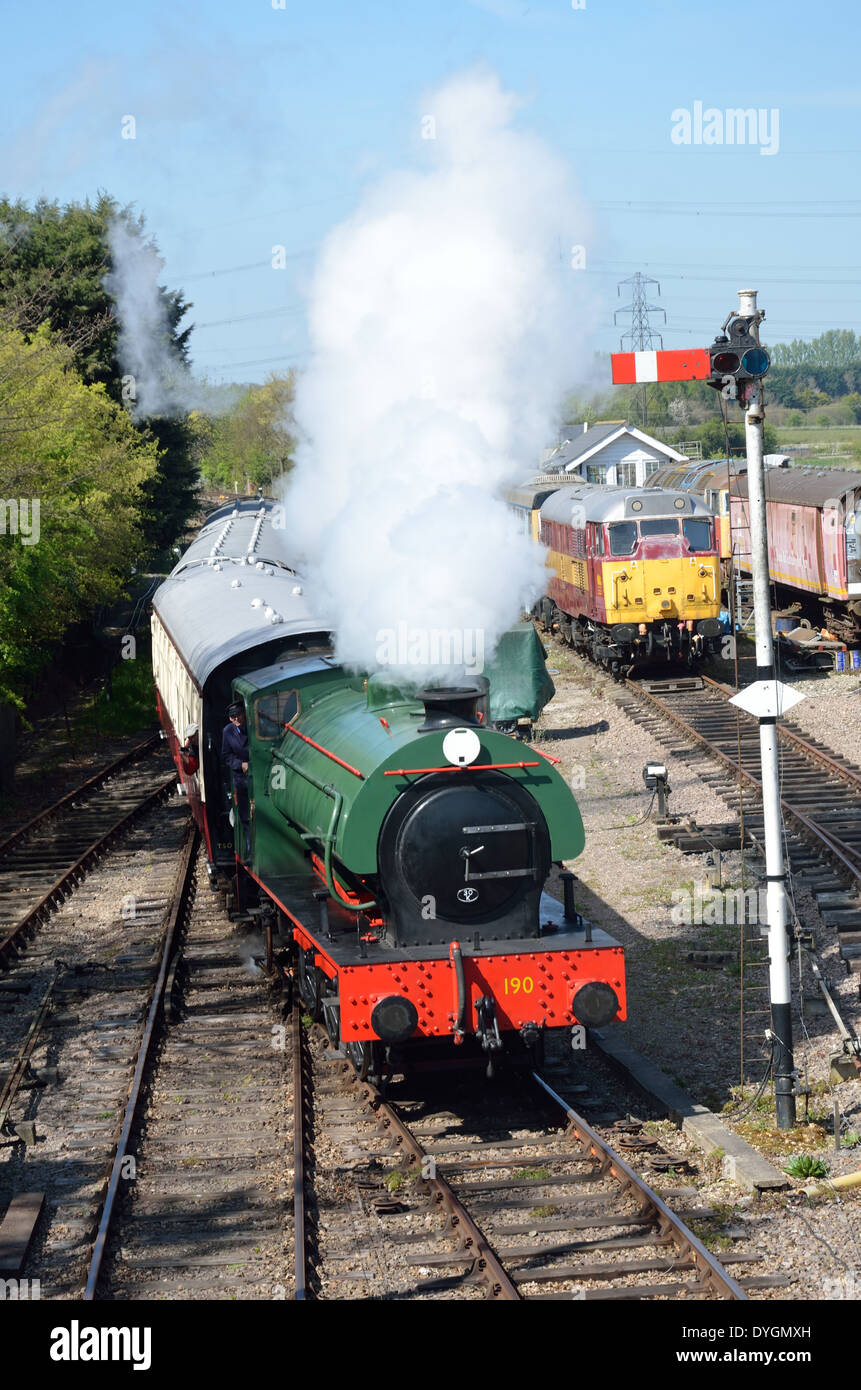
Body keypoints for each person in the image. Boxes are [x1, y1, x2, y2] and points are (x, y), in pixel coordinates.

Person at [221, 701, 251, 859]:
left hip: (259, 775)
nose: (236, 719)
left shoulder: (255, 726)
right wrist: (240, 764)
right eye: (233, 717)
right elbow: (226, 756)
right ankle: (249, 848)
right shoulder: (228, 732)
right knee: (245, 816)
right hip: (241, 778)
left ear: (244, 713)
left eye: (238, 714)